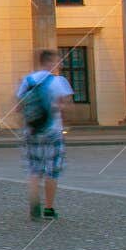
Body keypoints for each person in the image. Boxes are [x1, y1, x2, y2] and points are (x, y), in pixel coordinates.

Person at [18, 48, 73, 220]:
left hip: (32, 131)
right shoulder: (59, 82)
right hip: (53, 131)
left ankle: (34, 205)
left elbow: (19, 106)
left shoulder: (28, 80)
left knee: (34, 170)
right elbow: (66, 106)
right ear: (51, 62)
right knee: (52, 170)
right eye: (58, 61)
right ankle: (49, 208)